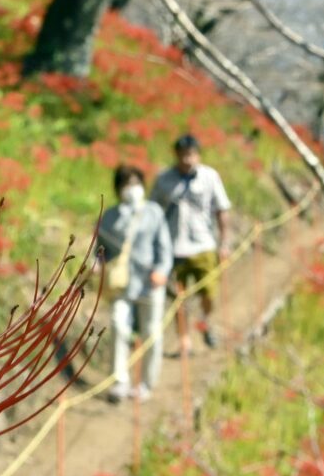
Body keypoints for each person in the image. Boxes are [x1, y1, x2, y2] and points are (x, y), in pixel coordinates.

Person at [94, 165, 172, 402]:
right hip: (122, 284)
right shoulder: (109, 216)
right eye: (126, 184)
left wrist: (161, 270)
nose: (132, 189)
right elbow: (99, 249)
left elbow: (164, 247)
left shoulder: (153, 212)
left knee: (151, 332)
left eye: (136, 183)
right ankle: (120, 381)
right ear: (118, 189)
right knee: (118, 325)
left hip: (150, 284)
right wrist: (96, 264)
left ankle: (147, 383)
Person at [151, 134, 231, 353]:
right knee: (179, 298)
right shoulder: (164, 179)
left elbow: (222, 209)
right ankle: (184, 339)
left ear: (198, 155)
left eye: (191, 155)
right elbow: (152, 211)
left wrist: (224, 242)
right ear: (176, 155)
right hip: (173, 247)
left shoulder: (210, 177)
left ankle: (205, 320)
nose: (187, 159)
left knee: (209, 291)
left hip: (203, 245)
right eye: (183, 155)